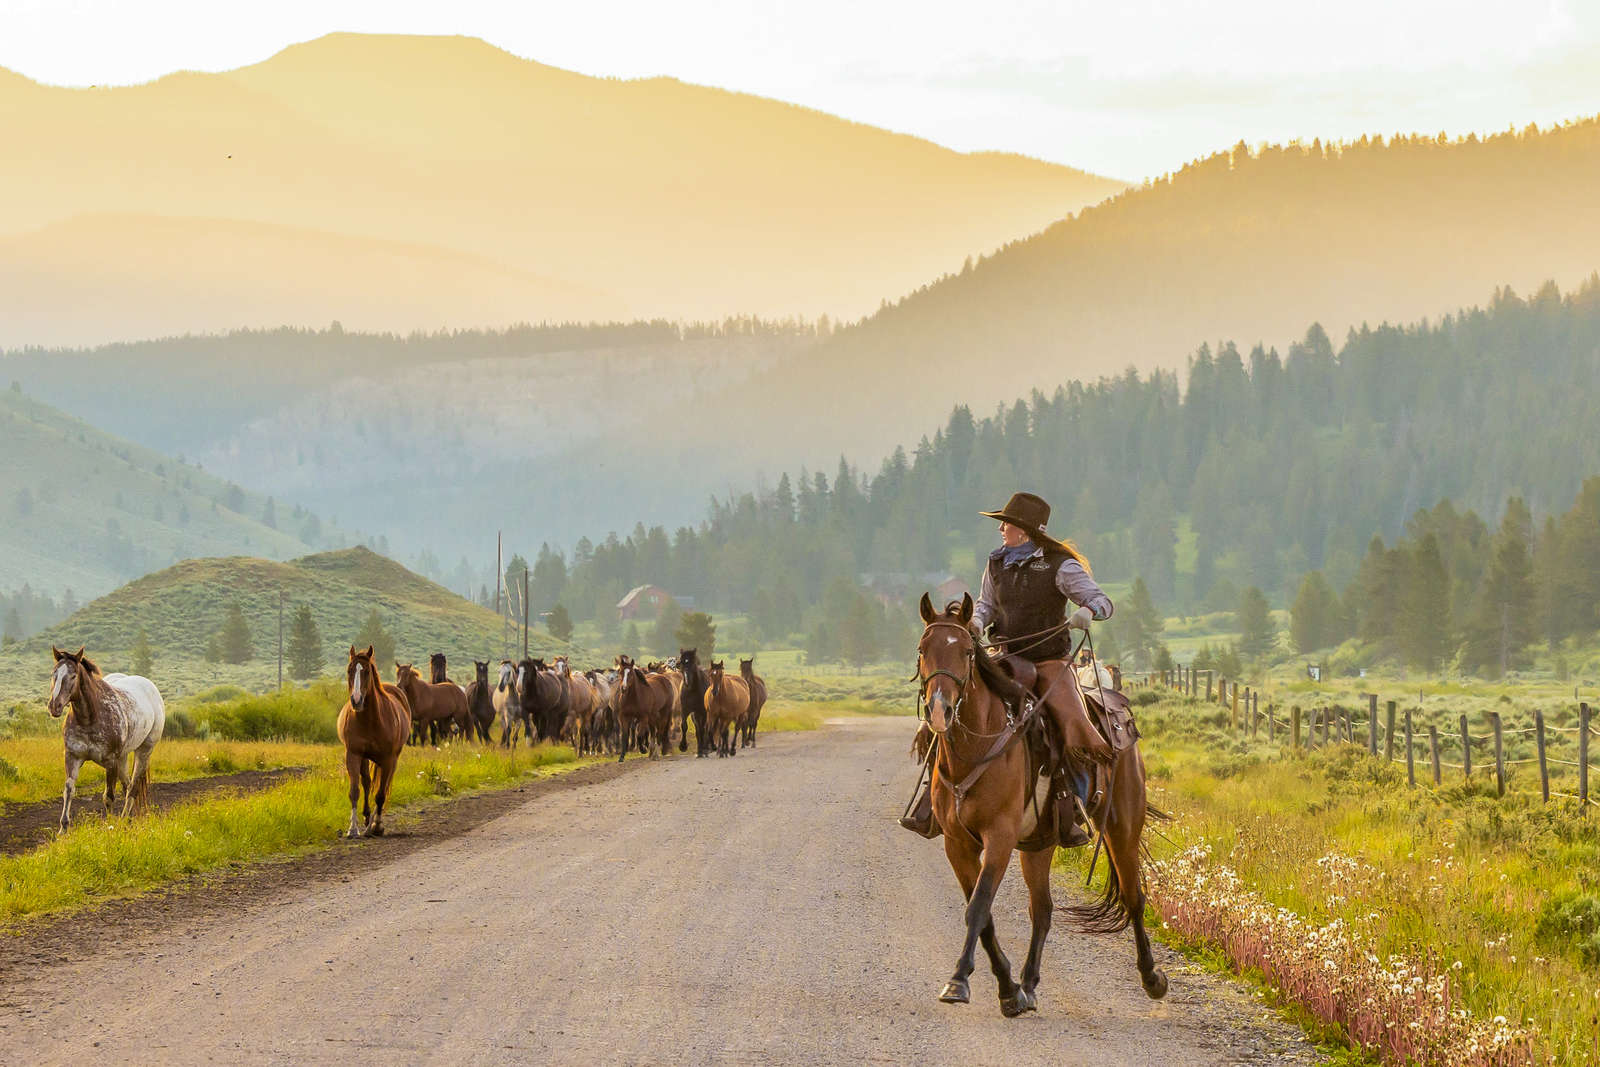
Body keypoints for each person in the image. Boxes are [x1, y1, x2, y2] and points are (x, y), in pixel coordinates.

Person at [904, 491, 1113, 847]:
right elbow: (986, 605)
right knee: (946, 713)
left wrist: (1087, 612)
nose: (1001, 529)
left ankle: (1074, 804)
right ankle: (934, 801)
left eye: (1006, 524)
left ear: (1025, 530)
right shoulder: (996, 562)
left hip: (1049, 661)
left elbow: (1102, 601)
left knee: (1071, 722)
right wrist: (974, 623)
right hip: (1003, 657)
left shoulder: (1061, 565)